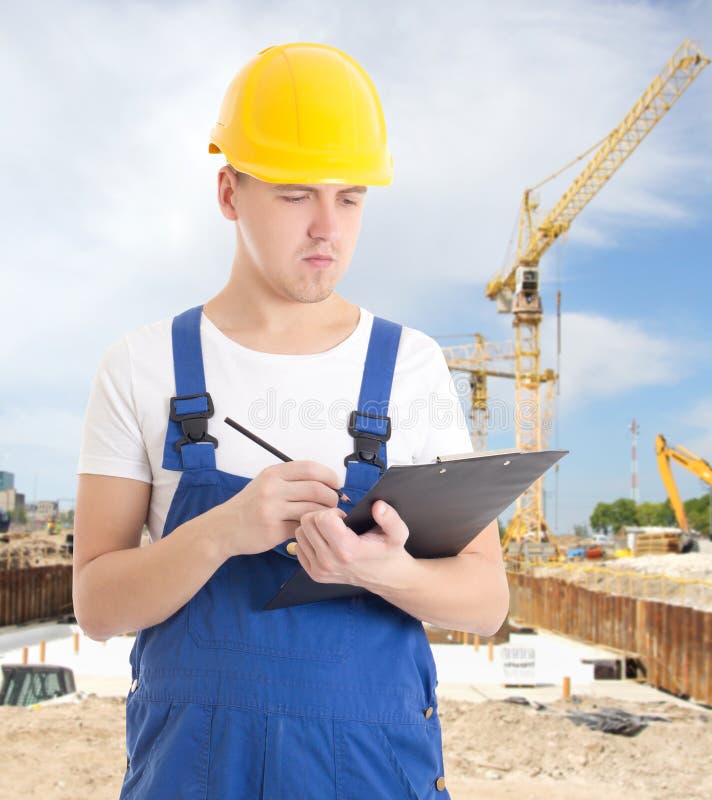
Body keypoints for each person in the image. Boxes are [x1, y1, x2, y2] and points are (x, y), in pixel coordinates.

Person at [73, 42, 508, 799]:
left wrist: (387, 572)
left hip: (374, 775)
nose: (326, 229)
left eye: (350, 197)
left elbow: (487, 603)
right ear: (228, 192)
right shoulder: (139, 368)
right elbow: (98, 607)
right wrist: (220, 533)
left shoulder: (412, 367)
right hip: (191, 776)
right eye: (294, 194)